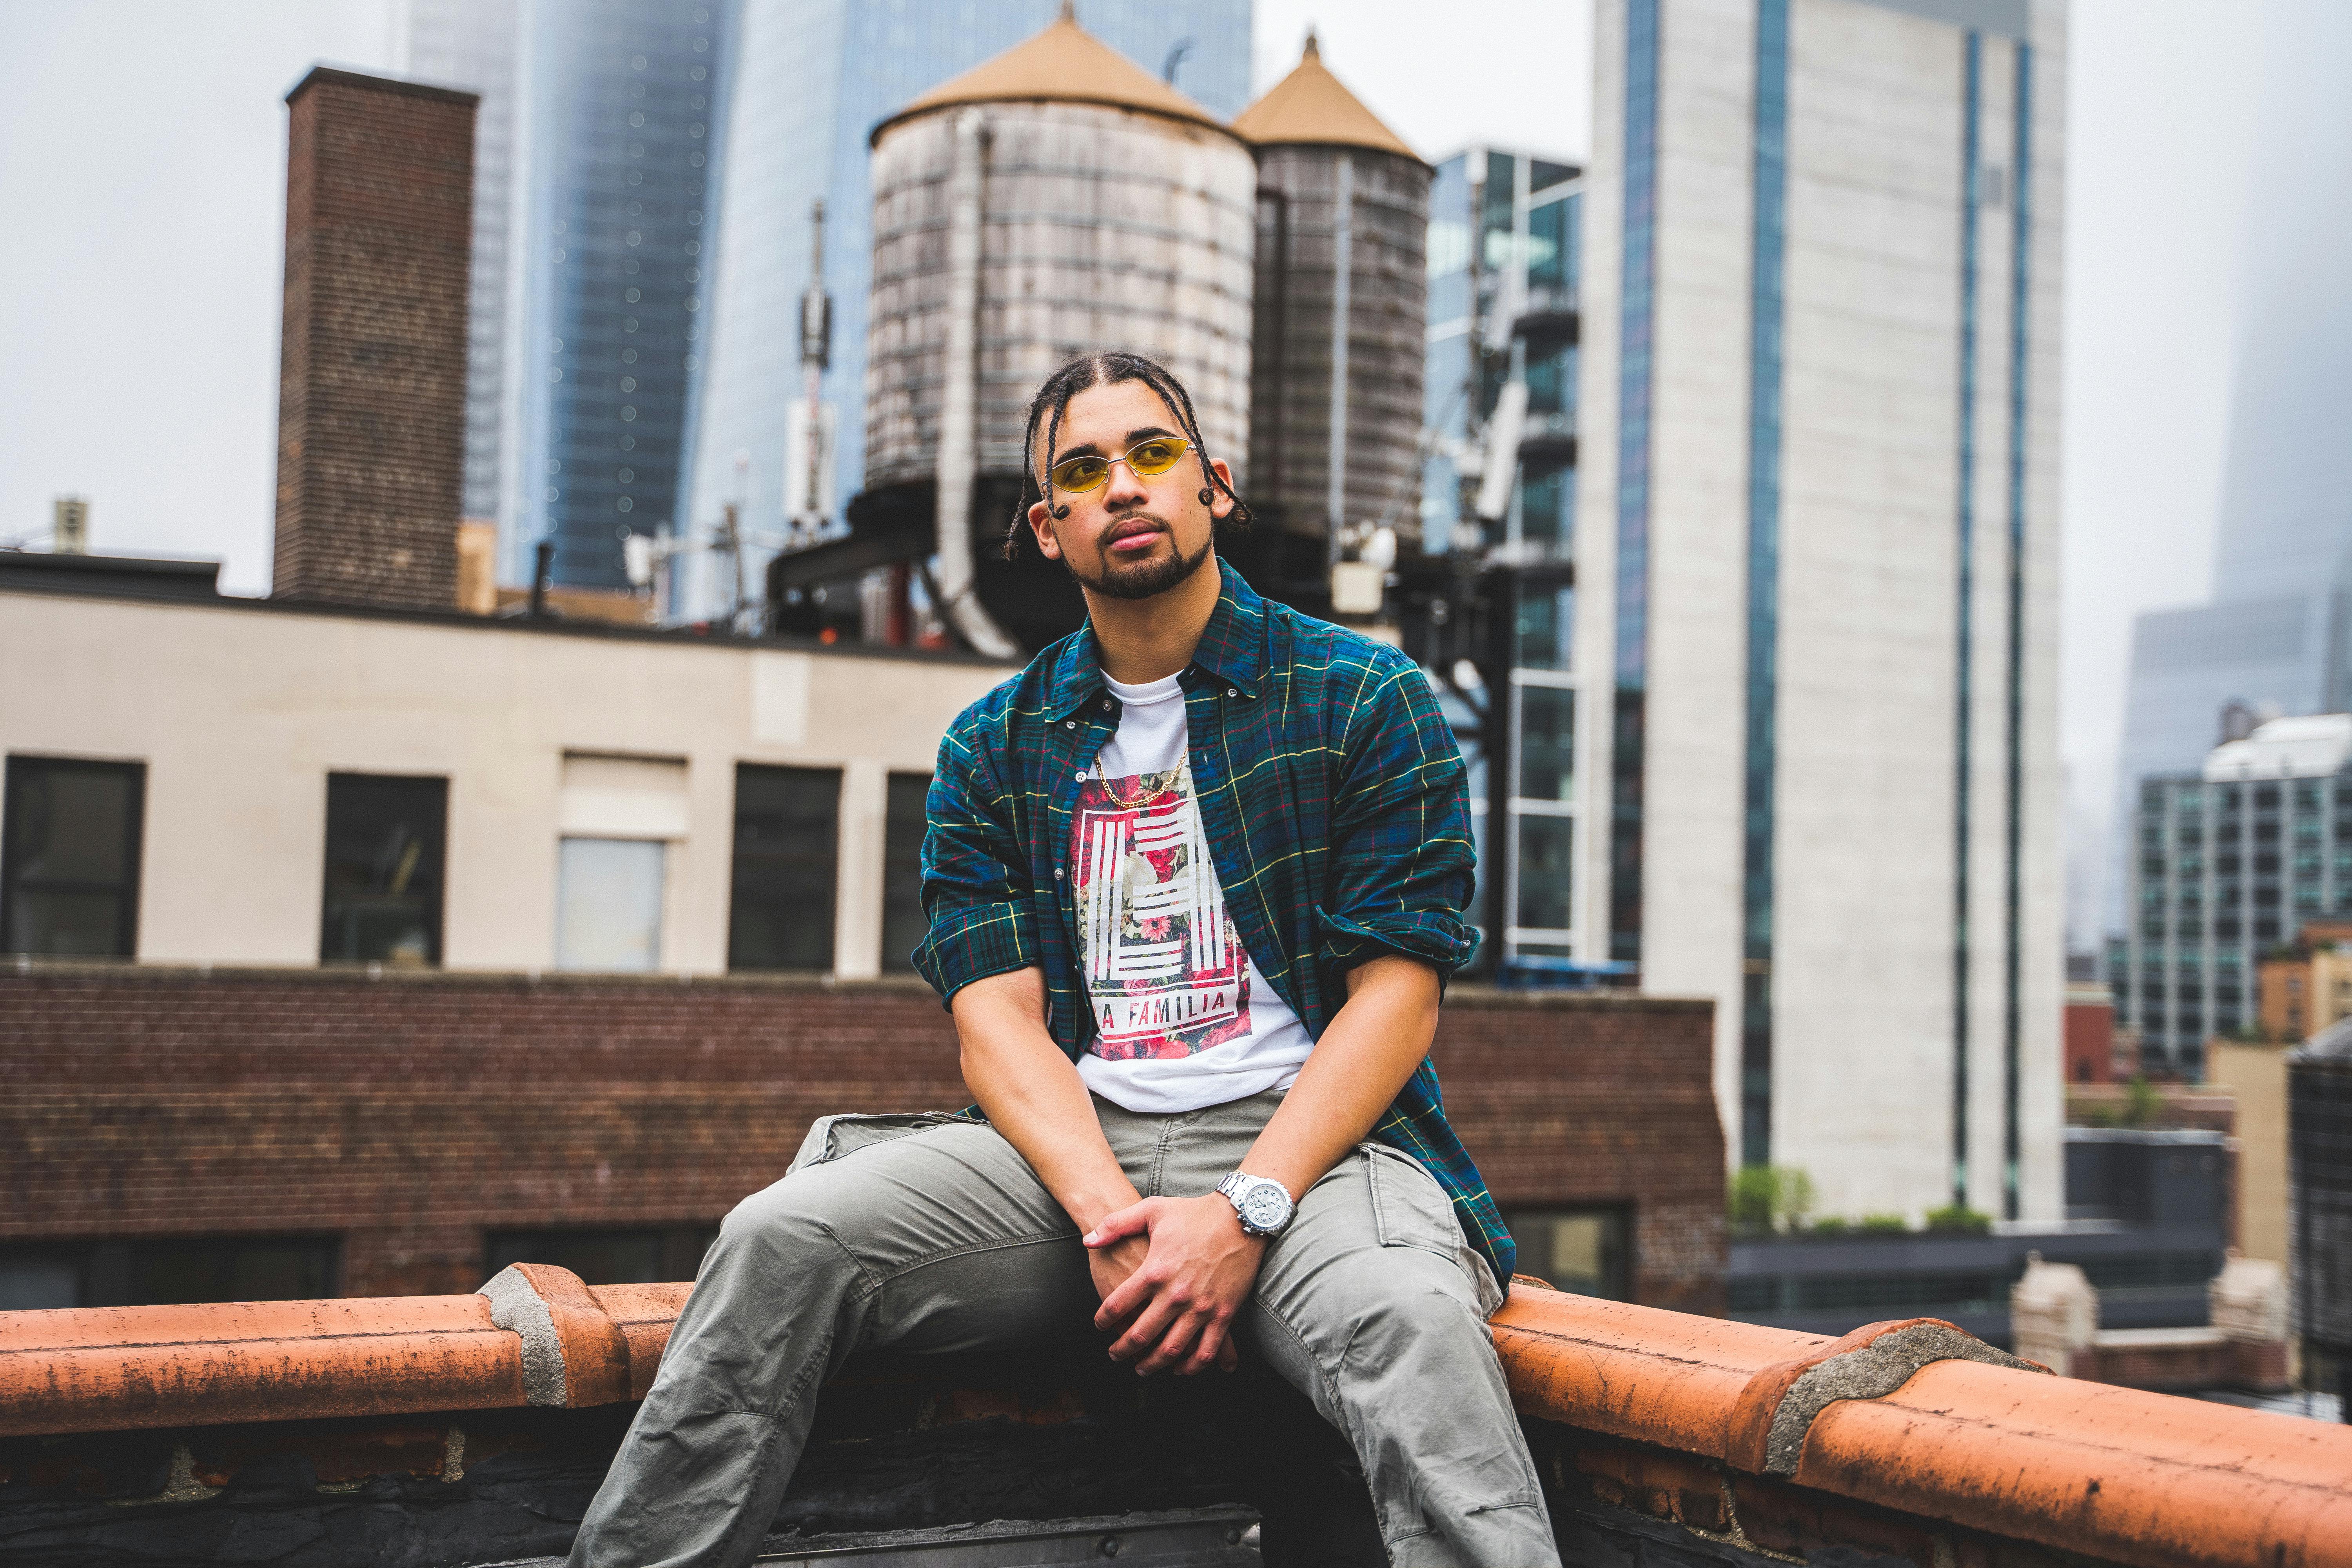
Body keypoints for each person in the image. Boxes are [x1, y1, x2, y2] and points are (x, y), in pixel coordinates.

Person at [567, 351, 1559, 1568]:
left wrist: (1243, 1212)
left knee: (1413, 1320)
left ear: (1214, 488)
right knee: (782, 1241)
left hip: (1314, 1147)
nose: (1122, 488)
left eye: (1152, 455)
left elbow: (1396, 1004)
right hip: (1074, 1154)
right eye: (1082, 473)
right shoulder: (993, 743)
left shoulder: (1362, 697)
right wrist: (1115, 1224)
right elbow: (996, 1028)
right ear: (1048, 528)